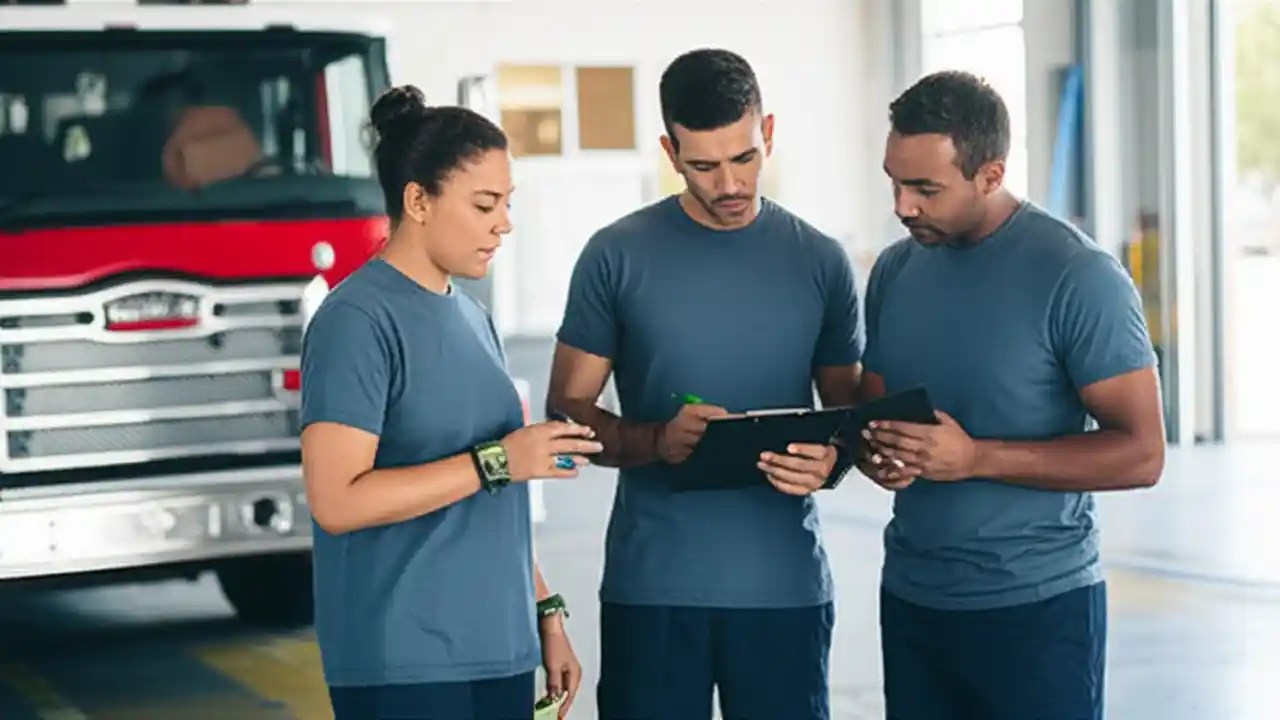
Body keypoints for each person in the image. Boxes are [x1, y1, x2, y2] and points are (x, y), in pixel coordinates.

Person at [547, 48, 864, 720]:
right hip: (652, 592)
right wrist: (657, 440)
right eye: (704, 166)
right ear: (670, 151)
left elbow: (849, 416)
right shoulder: (615, 255)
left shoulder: (821, 262)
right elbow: (568, 408)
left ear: (767, 132)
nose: (729, 185)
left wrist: (833, 459)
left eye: (744, 158)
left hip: (785, 592)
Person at [860, 70, 1166, 720]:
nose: (902, 205)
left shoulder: (1078, 277)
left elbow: (1141, 454)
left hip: (1038, 611)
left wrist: (976, 458)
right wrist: (875, 454)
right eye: (894, 180)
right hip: (913, 602)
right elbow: (874, 415)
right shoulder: (894, 271)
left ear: (991, 175)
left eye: (925, 188)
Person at [298, 85, 600, 720]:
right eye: (485, 203)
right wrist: (497, 461)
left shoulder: (471, 317)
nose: (505, 223)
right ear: (418, 201)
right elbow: (336, 500)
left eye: (508, 204)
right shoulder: (355, 320)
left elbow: (500, 491)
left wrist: (543, 608)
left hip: (499, 649)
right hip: (405, 660)